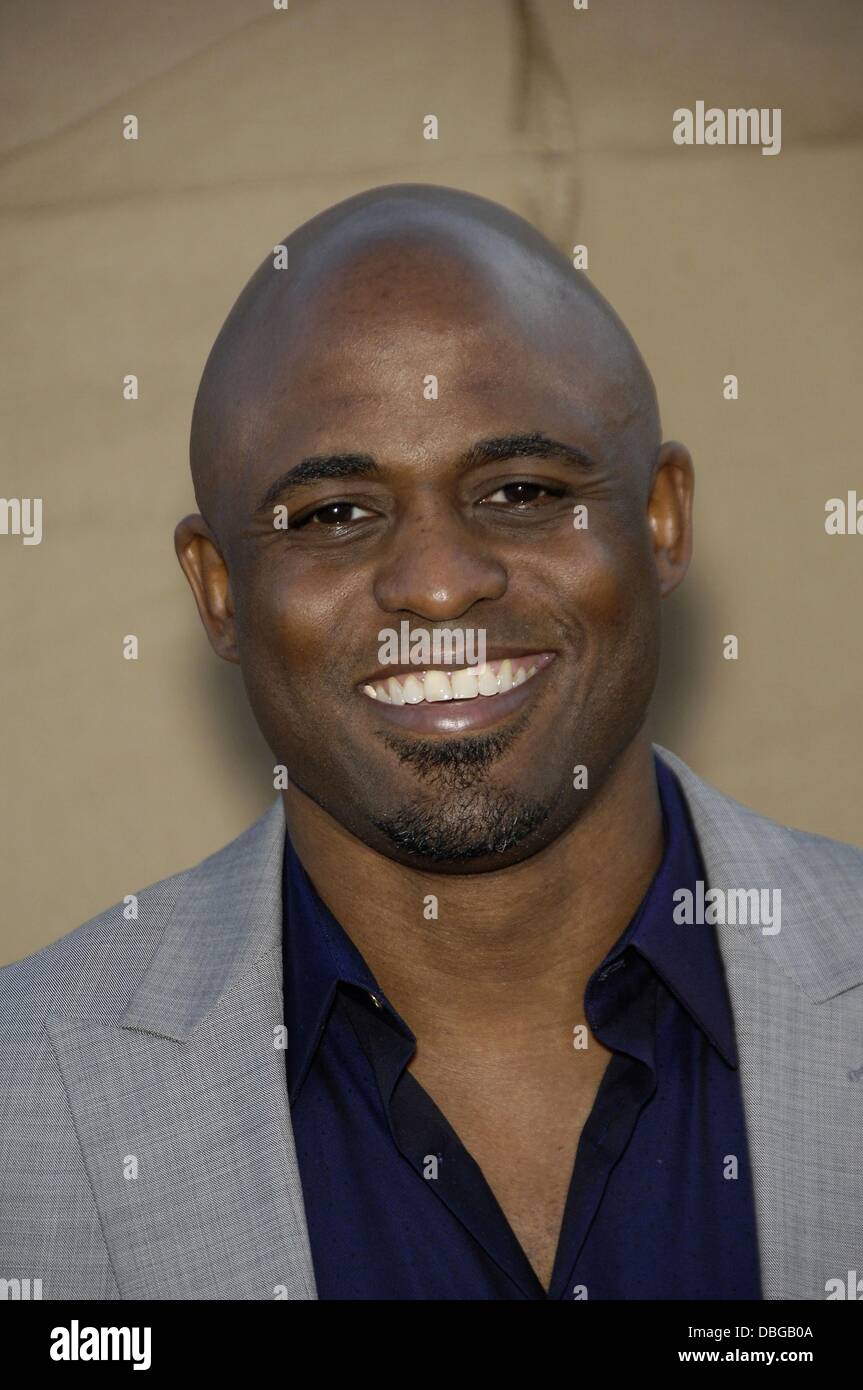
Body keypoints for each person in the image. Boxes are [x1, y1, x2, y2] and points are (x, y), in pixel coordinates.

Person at [1, 185, 860, 1301]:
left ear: (659, 519)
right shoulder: (26, 1102)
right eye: (334, 514)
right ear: (217, 592)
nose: (440, 583)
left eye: (519, 489)